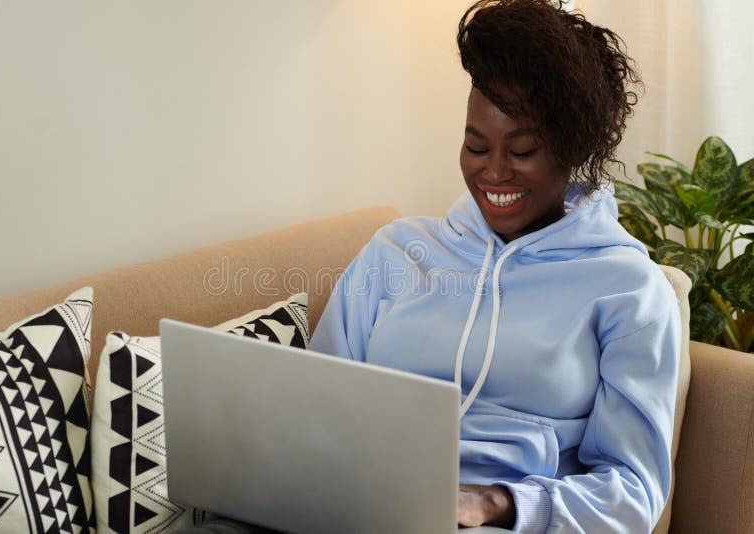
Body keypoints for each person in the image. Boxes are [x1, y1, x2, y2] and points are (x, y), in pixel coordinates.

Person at [182, 0, 680, 532]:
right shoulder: (396, 251)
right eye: (474, 145)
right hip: (351, 508)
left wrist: (494, 502)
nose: (493, 172)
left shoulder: (628, 290)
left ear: (572, 147)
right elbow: (318, 403)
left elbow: (633, 492)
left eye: (523, 150)